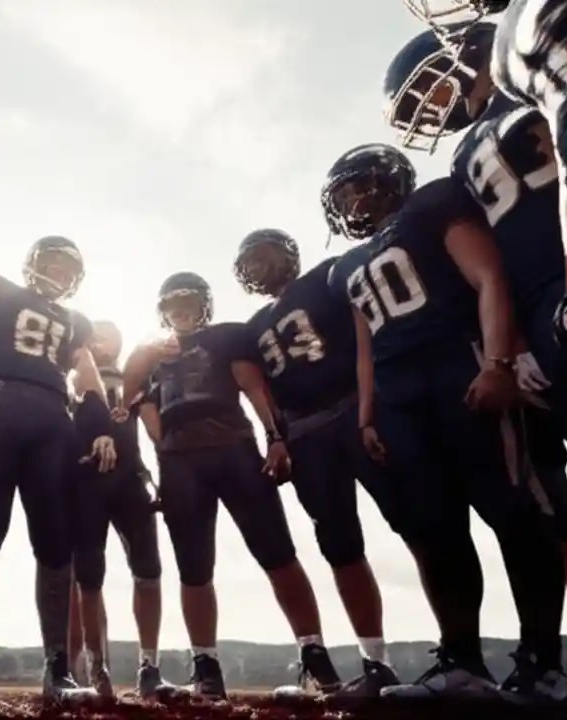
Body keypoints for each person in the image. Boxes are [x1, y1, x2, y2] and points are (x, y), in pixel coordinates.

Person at [384, 21, 567, 702]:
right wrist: (512, 348)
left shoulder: (532, 91)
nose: (430, 105)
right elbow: (490, 263)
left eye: (431, 82)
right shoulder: (455, 167)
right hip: (536, 323)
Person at [322, 142, 566, 699]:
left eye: (359, 186)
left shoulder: (431, 203)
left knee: (514, 510)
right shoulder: (345, 268)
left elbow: (489, 276)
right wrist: (367, 415)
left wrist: (500, 360)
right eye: (344, 194)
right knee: (437, 530)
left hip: (460, 364)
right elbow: (366, 346)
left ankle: (543, 665)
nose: (353, 201)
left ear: (388, 180)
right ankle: (462, 663)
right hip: (399, 396)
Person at [120, 272, 340, 701]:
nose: (181, 312)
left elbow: (253, 386)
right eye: (173, 305)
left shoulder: (226, 337)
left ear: (204, 304)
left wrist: (275, 438)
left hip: (234, 451)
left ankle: (314, 655)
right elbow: (130, 397)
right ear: (162, 311)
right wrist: (145, 358)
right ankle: (206, 667)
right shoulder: (149, 353)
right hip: (181, 463)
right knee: (194, 568)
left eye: (188, 302)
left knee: (277, 552)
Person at [0, 235, 114, 703]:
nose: (58, 272)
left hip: (54, 420)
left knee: (55, 543)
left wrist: (99, 427)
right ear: (33, 263)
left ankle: (58, 670)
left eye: (66, 267)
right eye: (51, 262)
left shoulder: (74, 322)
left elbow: (87, 378)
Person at [236, 229, 405, 697]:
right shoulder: (251, 327)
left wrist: (371, 407)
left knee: (418, 525)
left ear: (289, 253)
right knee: (340, 545)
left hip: (354, 409)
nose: (258, 266)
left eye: (264, 255)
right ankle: (377, 662)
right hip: (306, 433)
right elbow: (261, 390)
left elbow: (363, 331)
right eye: (250, 261)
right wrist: (278, 438)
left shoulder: (328, 277)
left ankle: (460, 654)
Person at [68, 320, 172, 699]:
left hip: (130, 477)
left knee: (149, 570)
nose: (98, 339)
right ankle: (96, 666)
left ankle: (149, 665)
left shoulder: (133, 379)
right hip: (84, 481)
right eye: (92, 334)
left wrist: (165, 475)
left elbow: (153, 427)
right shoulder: (70, 377)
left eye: (106, 333)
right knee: (89, 577)